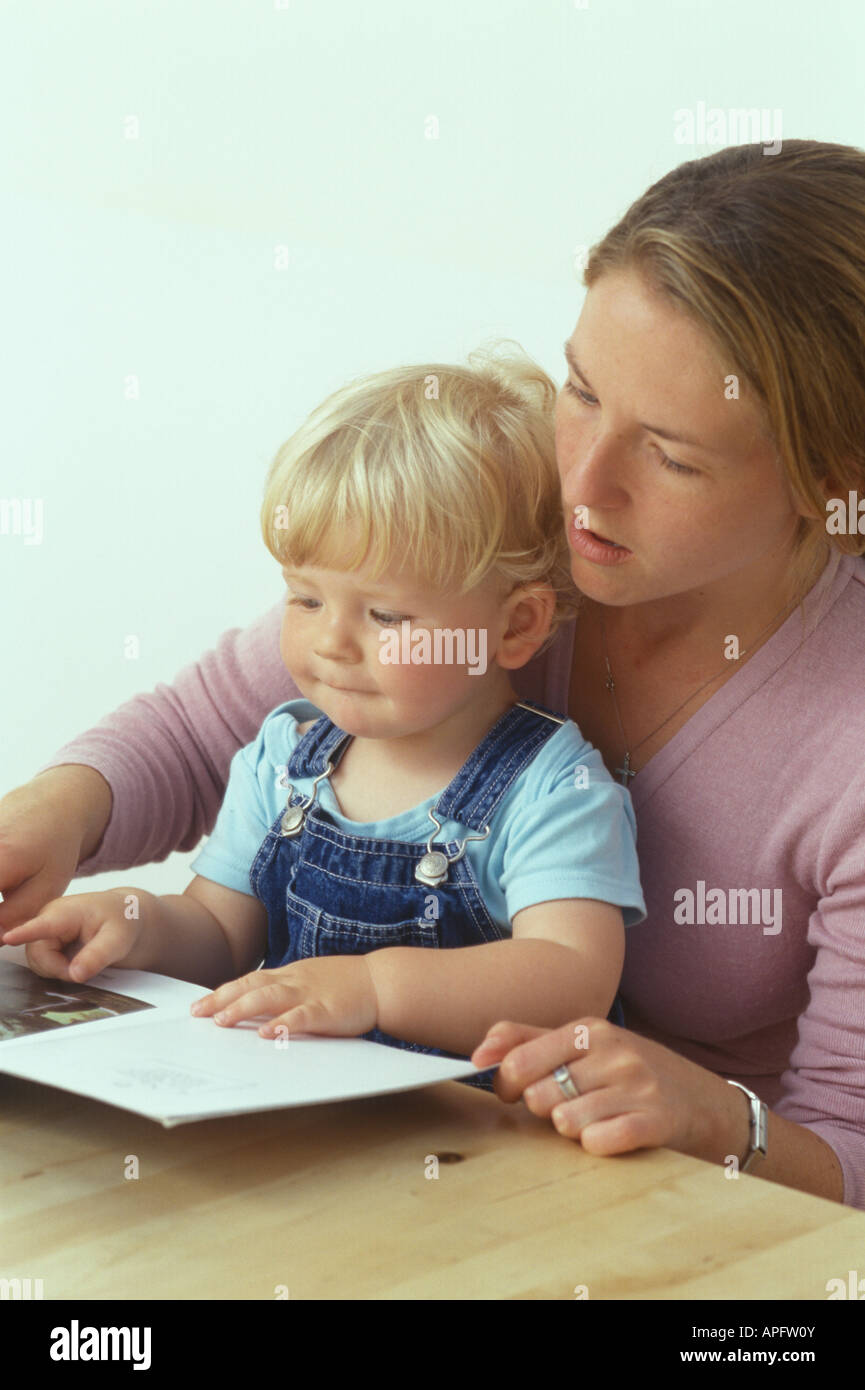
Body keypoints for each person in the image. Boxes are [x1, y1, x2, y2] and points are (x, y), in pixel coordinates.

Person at [1, 136, 864, 1207]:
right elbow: (198, 728)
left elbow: (850, 1154)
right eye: (581, 392)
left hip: (676, 1225)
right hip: (382, 1165)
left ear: (832, 476)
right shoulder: (490, 539)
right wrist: (52, 814)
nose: (582, 485)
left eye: (673, 455)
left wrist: (713, 1116)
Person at [0, 350, 645, 1086]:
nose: (330, 641)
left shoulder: (553, 788)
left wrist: (373, 990)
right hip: (296, 1127)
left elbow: (570, 977)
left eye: (384, 613)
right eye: (305, 598)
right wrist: (132, 923)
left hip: (478, 1145)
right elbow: (218, 932)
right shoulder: (285, 755)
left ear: (514, 626)